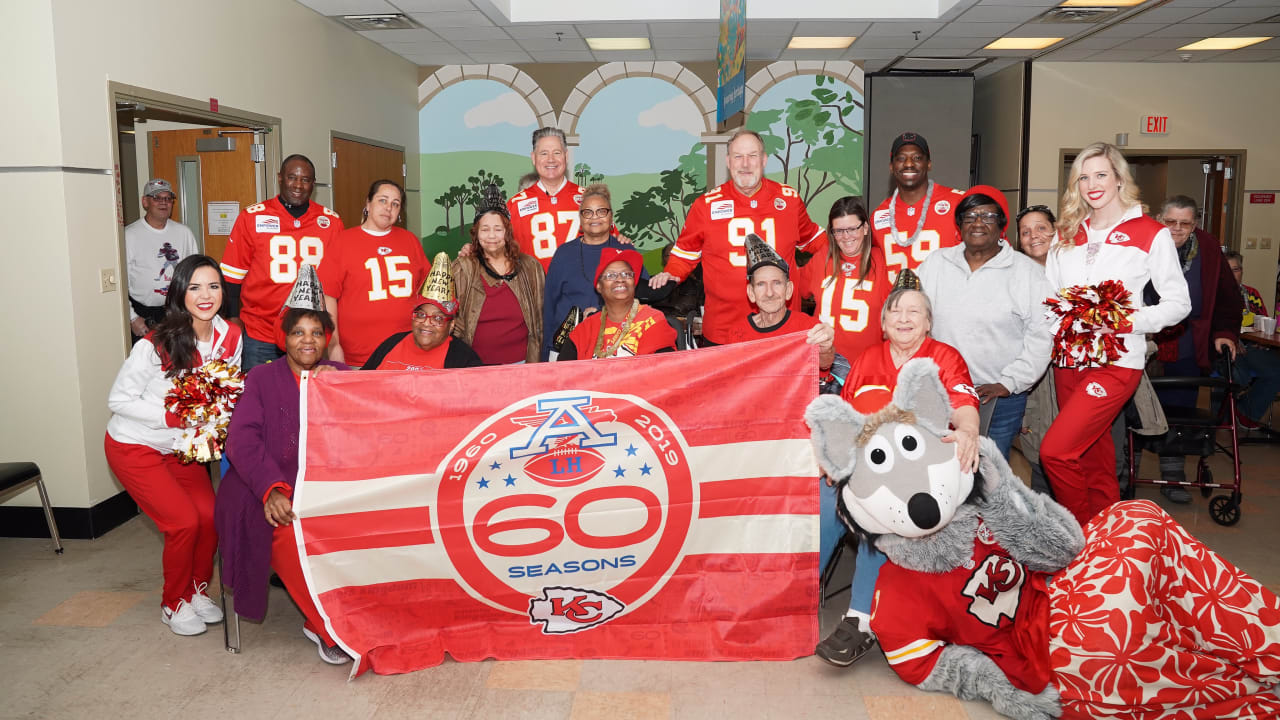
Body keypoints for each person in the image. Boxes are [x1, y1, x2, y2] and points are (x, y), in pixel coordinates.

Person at [816, 276, 980, 669]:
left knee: (881, 515)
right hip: (867, 468)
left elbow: (962, 405)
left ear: (928, 323)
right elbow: (848, 418)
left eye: (914, 312)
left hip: (923, 475)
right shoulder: (868, 359)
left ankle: (859, 620)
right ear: (884, 323)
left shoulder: (944, 357)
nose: (904, 319)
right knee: (821, 502)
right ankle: (798, 594)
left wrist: (970, 429)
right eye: (896, 312)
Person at [1040, 142, 1190, 527]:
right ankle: (1108, 536)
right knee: (1094, 455)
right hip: (1069, 359)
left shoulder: (1151, 232)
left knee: (1056, 451)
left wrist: (1124, 320)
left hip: (1116, 362)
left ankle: (1075, 539)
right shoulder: (1066, 232)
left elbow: (1178, 304)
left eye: (1101, 174)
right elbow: (1051, 297)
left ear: (1120, 178)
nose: (1092, 184)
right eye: (1084, 177)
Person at [216, 266, 354, 664]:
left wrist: (339, 388)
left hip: (325, 485)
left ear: (326, 338)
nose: (307, 341)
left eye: (315, 332)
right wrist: (271, 488)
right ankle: (325, 625)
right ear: (284, 338)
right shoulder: (260, 378)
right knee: (294, 535)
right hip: (261, 483)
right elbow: (241, 440)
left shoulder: (342, 375)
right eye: (298, 332)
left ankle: (352, 613)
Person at [104, 255, 242, 636]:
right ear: (180, 293)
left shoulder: (231, 335)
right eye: (194, 287)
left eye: (213, 286)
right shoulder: (155, 344)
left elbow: (226, 388)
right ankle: (173, 602)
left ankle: (197, 591)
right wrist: (172, 417)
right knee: (182, 522)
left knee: (210, 517)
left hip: (183, 448)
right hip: (136, 446)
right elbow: (118, 400)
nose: (205, 295)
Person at [649, 129, 827, 345]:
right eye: (738, 156)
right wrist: (671, 273)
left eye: (752, 156)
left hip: (781, 330)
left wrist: (853, 259)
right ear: (728, 161)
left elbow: (817, 242)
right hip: (724, 330)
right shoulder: (706, 205)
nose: (745, 164)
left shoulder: (788, 200)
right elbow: (685, 254)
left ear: (763, 160)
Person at [917, 186, 1054, 460]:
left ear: (1002, 225)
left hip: (998, 398)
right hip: (940, 391)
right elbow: (909, 316)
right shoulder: (935, 263)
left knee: (989, 478)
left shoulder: (1027, 273)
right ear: (959, 224)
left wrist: (1010, 382)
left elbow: (1042, 336)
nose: (978, 222)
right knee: (938, 473)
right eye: (969, 215)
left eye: (988, 215)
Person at [1148, 195, 1242, 501]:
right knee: (1137, 407)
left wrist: (1225, 332)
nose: (1176, 228)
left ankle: (1173, 474)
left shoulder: (1210, 248)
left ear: (1195, 224)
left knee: (1180, 406)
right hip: (1145, 338)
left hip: (1190, 339)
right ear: (1159, 218)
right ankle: (1127, 471)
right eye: (1170, 221)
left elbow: (1229, 297)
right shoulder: (1142, 242)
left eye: (1184, 223)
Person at [220, 154, 344, 371]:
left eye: (305, 180)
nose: (298, 185)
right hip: (261, 333)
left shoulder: (331, 222)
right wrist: (232, 318)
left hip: (310, 334)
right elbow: (231, 278)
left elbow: (339, 284)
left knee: (306, 399)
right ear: (280, 178)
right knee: (263, 397)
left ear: (313, 184)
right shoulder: (251, 218)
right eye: (292, 177)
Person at [319, 179, 429, 367]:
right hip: (358, 358)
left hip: (405, 354)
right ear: (368, 204)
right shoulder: (343, 242)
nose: (389, 208)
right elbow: (328, 298)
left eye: (395, 204)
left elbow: (427, 290)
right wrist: (334, 345)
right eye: (383, 200)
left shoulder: (409, 240)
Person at [542, 183, 654, 360]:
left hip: (617, 348)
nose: (595, 217)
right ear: (580, 218)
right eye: (588, 212)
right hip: (568, 350)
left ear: (611, 217)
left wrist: (601, 313)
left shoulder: (626, 251)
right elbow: (549, 307)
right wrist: (546, 354)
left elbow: (641, 301)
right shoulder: (564, 253)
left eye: (601, 211)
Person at [452, 186, 544, 364]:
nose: (491, 236)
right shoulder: (462, 269)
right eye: (485, 229)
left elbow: (540, 321)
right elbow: (448, 318)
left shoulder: (530, 268)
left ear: (508, 232)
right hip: (474, 367)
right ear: (476, 234)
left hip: (522, 366)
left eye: (498, 229)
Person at [795, 197, 890, 365]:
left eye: (853, 229)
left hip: (866, 367)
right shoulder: (823, 257)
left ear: (866, 228)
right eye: (838, 231)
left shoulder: (882, 261)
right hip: (825, 366)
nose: (846, 237)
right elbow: (793, 290)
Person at [871, 132, 966, 283]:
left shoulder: (959, 202)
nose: (909, 164)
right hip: (896, 305)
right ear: (891, 166)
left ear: (929, 164)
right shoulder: (878, 215)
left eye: (917, 158)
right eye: (901, 158)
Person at [724, 235, 836, 364]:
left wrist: (825, 350)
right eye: (761, 284)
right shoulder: (737, 334)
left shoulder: (808, 328)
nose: (770, 293)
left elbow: (824, 365)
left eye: (776, 283)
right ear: (751, 293)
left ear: (788, 290)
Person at [364, 256, 484, 370]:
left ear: (452, 325)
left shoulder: (463, 358)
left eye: (437, 318)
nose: (426, 323)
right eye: (421, 315)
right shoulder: (392, 344)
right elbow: (361, 383)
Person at [560, 248, 678, 360]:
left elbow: (663, 372)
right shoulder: (586, 328)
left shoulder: (652, 321)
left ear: (634, 283)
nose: (620, 279)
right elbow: (563, 373)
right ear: (599, 287)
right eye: (611, 275)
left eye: (627, 274)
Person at [505, 127, 593, 270]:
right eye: (544, 153)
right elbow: (496, 248)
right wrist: (472, 249)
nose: (551, 159)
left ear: (566, 156)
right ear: (534, 158)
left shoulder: (589, 199)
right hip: (534, 290)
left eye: (557, 153)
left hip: (580, 290)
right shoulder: (515, 204)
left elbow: (612, 243)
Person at [125, 179, 199, 341]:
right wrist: (132, 317)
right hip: (143, 316)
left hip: (177, 312)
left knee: (179, 362)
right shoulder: (129, 235)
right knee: (146, 364)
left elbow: (196, 276)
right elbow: (120, 282)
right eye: (157, 198)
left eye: (168, 198)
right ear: (145, 202)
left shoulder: (183, 233)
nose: (163, 203)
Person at [1225, 251, 1280, 427]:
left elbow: (1262, 321)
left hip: (1253, 346)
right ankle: (1224, 414)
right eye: (1227, 270)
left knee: (1276, 369)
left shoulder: (1252, 294)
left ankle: (1247, 412)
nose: (1233, 274)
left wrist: (1262, 341)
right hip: (1225, 348)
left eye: (1236, 269)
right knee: (1238, 375)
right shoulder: (1211, 295)